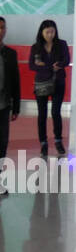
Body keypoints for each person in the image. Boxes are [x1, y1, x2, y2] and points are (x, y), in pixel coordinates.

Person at [29, 20, 70, 156]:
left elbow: (66, 60)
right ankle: (43, 144)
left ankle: (58, 141)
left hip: (58, 82)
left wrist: (45, 65)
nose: (50, 35)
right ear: (41, 32)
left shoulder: (62, 44)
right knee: (42, 114)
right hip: (42, 83)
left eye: (52, 32)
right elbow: (32, 65)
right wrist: (50, 67)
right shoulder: (36, 47)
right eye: (47, 32)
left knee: (56, 112)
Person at [0, 16, 19, 198]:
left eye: (3, 27)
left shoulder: (10, 54)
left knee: (2, 143)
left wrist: (16, 106)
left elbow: (15, 81)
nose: (1, 31)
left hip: (4, 105)